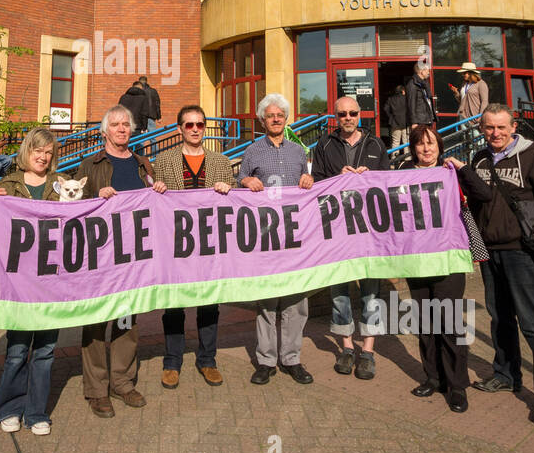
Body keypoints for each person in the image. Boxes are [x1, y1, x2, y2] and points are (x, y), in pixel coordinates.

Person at [450, 103, 534, 426]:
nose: (495, 133)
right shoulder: (479, 159)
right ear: (481, 129)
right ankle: (506, 374)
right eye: (489, 128)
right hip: (489, 252)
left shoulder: (532, 155)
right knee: (500, 319)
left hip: (521, 253)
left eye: (501, 127)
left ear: (513, 127)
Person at [74, 105, 167, 418]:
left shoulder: (143, 163)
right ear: (104, 131)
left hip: (134, 257)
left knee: (128, 321)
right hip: (101, 257)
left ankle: (122, 381)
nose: (122, 129)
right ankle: (97, 389)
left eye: (126, 124)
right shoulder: (91, 163)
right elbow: (74, 207)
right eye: (115, 124)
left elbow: (158, 204)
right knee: (97, 321)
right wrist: (94, 196)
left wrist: (159, 188)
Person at [0, 128, 73, 436]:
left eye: (49, 152)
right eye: (39, 150)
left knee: (46, 350)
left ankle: (37, 412)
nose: (43, 156)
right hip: (19, 281)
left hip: (52, 279)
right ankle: (10, 407)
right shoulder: (9, 185)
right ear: (28, 151)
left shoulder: (60, 184)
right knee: (17, 349)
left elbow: (81, 217)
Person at [151, 104, 236, 388]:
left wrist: (228, 190)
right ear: (179, 129)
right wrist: (158, 189)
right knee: (174, 304)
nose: (196, 129)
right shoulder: (162, 161)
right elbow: (150, 199)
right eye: (189, 125)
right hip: (175, 244)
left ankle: (207, 359)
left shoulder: (222, 162)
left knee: (209, 303)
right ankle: (172, 361)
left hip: (211, 244)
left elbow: (235, 203)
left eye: (200, 124)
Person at [311, 95, 388, 380]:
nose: (348, 118)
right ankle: (346, 347)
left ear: (360, 114)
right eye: (342, 114)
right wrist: (336, 178)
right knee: (339, 292)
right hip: (338, 231)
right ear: (336, 116)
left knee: (371, 293)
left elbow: (388, 183)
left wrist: (371, 175)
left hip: (369, 232)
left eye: (352, 113)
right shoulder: (325, 144)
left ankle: (367, 351)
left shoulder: (376, 144)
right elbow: (315, 182)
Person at [240, 93, 315, 386]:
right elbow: (240, 181)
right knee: (268, 302)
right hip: (266, 239)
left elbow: (309, 188)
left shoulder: (299, 152)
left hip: (296, 239)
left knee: (297, 302)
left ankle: (292, 359)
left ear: (285, 119)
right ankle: (266, 360)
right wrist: (245, 181)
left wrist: (308, 181)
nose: (275, 119)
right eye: (270, 115)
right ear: (262, 120)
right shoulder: (252, 151)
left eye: (280, 115)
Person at [398, 124, 471, 413]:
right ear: (413, 147)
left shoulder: (451, 171)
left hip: (448, 259)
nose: (426, 149)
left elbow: (483, 195)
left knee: (450, 321)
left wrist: (463, 170)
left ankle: (457, 386)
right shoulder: (401, 172)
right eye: (420, 144)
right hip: (416, 259)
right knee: (425, 322)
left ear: (440, 146)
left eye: (431, 143)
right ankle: (433, 377)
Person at [383, 84, 409, 151]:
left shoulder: (391, 99)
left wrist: (391, 117)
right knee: (406, 142)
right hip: (406, 123)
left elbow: (386, 109)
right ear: (403, 91)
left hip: (394, 123)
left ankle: (395, 159)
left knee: (395, 142)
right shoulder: (407, 99)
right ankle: (407, 159)